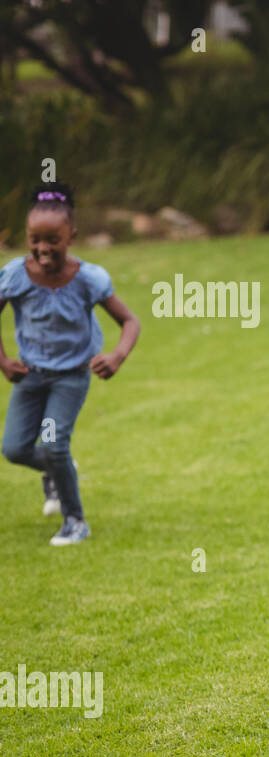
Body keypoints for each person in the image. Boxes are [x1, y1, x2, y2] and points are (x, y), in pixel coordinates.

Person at [0, 183, 142, 546]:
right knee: (14, 449)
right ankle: (57, 470)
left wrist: (116, 356)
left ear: (71, 236)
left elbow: (129, 321)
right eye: (35, 238)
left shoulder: (88, 279)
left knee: (52, 443)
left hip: (71, 377)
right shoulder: (15, 275)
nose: (43, 248)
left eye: (53, 239)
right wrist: (3, 361)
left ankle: (75, 521)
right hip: (31, 376)